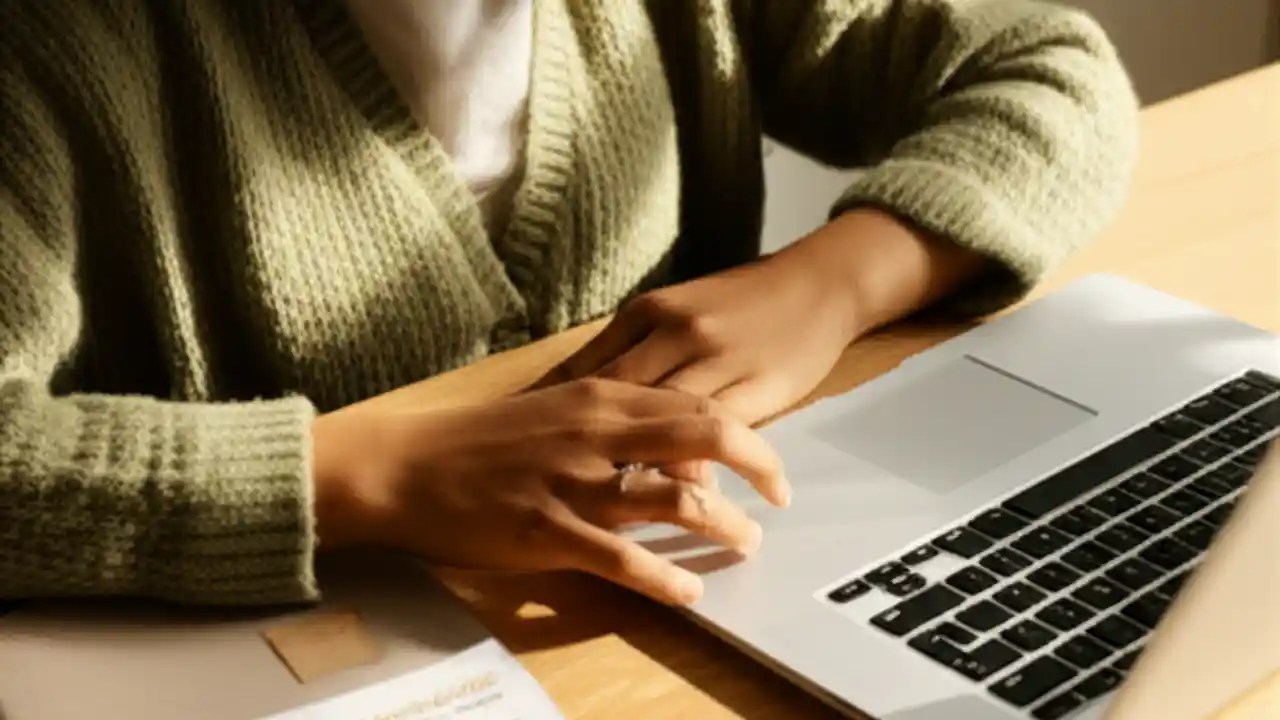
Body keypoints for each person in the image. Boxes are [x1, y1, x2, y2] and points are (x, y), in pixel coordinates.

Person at [0, 0, 1138, 608]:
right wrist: (370, 476)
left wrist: (832, 283)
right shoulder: (55, 43)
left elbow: (1052, 73)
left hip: (671, 605)